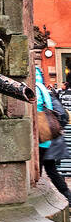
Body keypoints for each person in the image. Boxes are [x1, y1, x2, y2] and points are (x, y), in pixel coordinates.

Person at [35, 63, 71, 201]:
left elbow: (37, 110)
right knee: (51, 170)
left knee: (44, 169)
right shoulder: (45, 89)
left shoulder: (36, 89)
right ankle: (68, 197)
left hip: (44, 135)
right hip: (54, 134)